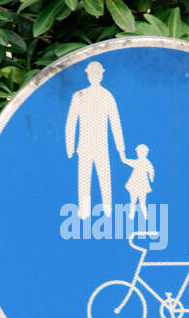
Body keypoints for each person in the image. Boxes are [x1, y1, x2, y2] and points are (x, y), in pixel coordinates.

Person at [64, 61, 126, 219]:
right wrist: (70, 148)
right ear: (88, 75)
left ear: (102, 75)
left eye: (98, 74)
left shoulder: (107, 96)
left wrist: (121, 149)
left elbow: (115, 124)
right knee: (84, 179)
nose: (95, 77)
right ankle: (84, 212)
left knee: (105, 178)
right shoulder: (79, 96)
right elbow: (71, 123)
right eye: (92, 74)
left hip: (101, 146)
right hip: (84, 146)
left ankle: (108, 211)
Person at [123, 143, 154, 220]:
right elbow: (129, 161)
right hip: (135, 184)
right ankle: (133, 215)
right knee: (134, 201)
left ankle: (145, 215)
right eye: (139, 152)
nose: (139, 154)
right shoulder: (141, 162)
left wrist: (151, 177)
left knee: (141, 202)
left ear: (146, 153)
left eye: (141, 152)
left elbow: (151, 170)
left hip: (142, 185)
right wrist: (124, 159)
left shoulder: (144, 162)